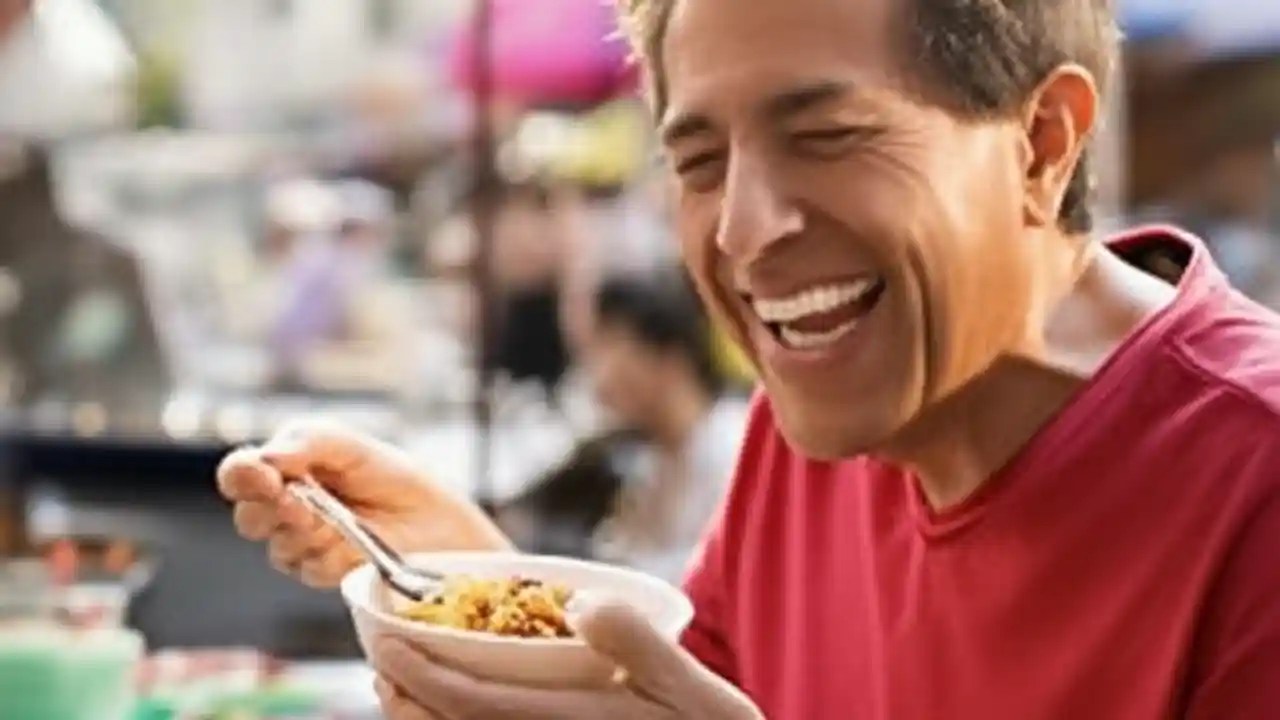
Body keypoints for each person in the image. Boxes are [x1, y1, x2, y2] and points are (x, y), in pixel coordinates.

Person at [217, 0, 1280, 717]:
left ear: (1042, 141)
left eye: (827, 136)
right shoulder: (811, 411)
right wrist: (483, 597)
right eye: (699, 161)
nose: (743, 229)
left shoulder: (1250, 490)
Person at [496, 271, 747, 583]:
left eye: (610, 346)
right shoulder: (652, 459)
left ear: (668, 357)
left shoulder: (731, 448)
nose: (598, 377)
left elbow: (718, 573)